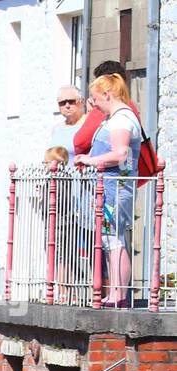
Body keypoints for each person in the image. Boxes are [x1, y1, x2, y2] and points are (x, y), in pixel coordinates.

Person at [74, 72, 143, 306]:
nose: (95, 105)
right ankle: (117, 294)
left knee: (114, 240)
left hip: (116, 188)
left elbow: (121, 153)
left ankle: (118, 295)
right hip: (112, 187)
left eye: (96, 99)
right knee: (111, 239)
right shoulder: (117, 117)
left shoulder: (122, 119)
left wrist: (89, 160)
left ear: (108, 94)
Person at [72, 61, 142, 160]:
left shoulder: (119, 116)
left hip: (112, 174)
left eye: (95, 97)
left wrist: (90, 160)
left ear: (105, 93)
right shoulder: (129, 106)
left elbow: (80, 142)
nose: (94, 102)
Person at [51, 86, 86, 156]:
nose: (67, 106)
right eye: (62, 103)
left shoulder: (89, 124)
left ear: (82, 101)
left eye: (71, 101)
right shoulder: (57, 128)